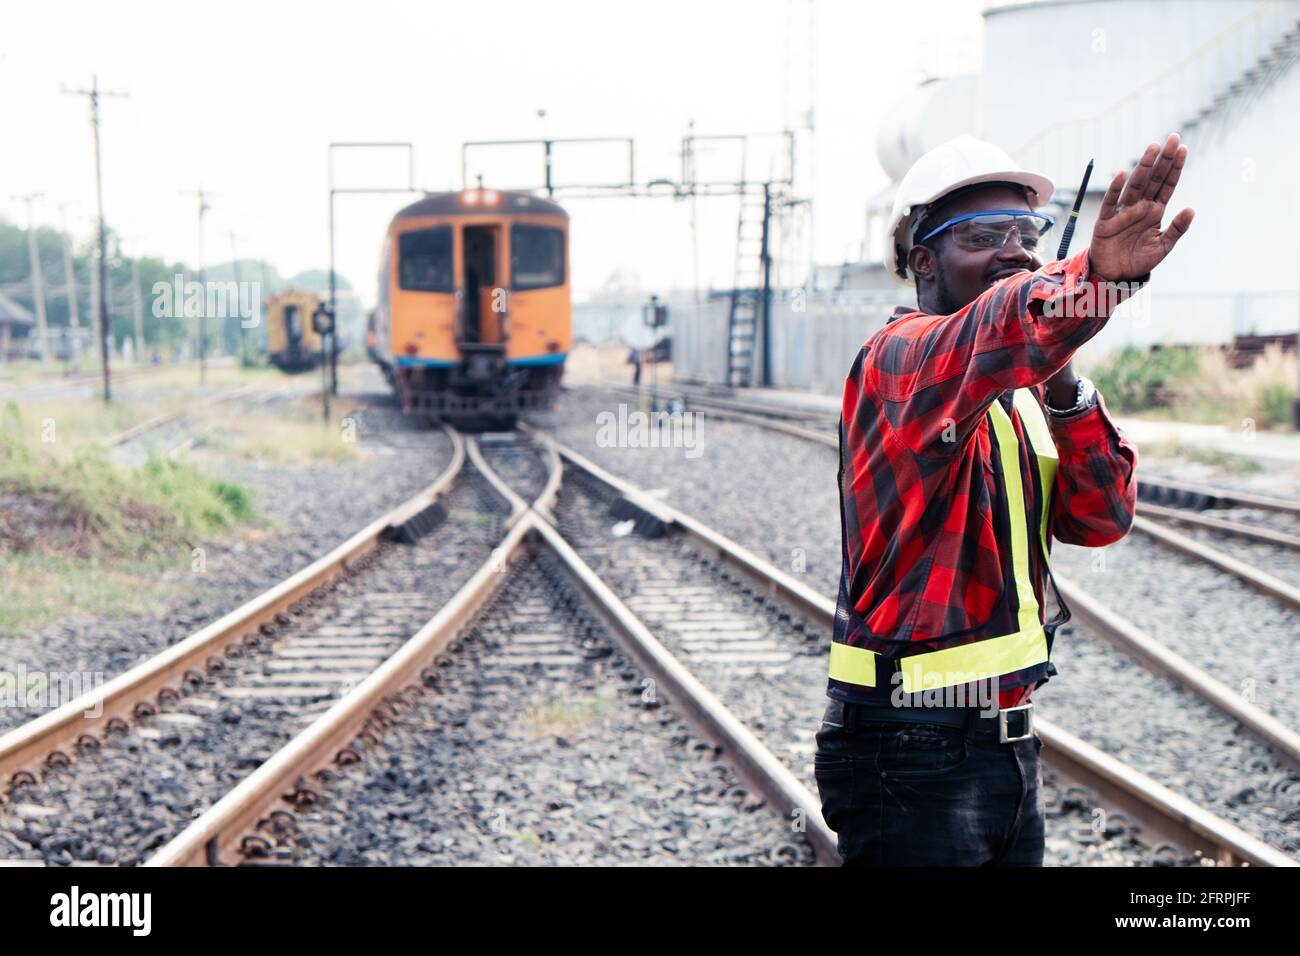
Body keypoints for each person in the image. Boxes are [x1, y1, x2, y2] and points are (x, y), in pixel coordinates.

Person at [815, 133, 1194, 866]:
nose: (1016, 250)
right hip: (908, 749)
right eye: (983, 236)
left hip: (1006, 743)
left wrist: (1062, 384)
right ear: (922, 260)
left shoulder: (1019, 398)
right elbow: (1001, 324)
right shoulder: (900, 360)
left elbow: (1102, 518)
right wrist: (1096, 283)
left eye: (1029, 235)